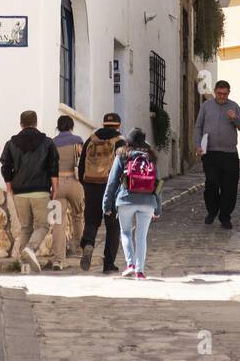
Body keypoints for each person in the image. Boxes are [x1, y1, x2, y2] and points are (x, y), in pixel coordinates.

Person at [0, 109, 59, 273]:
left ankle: (25, 266)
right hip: (40, 191)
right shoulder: (47, 142)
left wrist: (9, 185)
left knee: (26, 227)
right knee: (43, 225)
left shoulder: (11, 144)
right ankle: (31, 249)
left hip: (19, 192)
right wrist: (55, 188)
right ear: (36, 123)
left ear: (21, 124)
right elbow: (53, 167)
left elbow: (5, 167)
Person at [103, 127, 162, 279]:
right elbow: (158, 184)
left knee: (126, 232)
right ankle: (140, 271)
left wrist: (106, 204)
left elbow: (112, 182)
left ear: (128, 141)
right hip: (148, 201)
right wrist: (158, 207)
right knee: (141, 236)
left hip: (126, 199)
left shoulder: (122, 155)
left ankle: (130, 264)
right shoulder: (151, 157)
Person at [194, 80, 240, 229]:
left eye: (225, 94)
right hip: (210, 153)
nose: (222, 96)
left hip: (229, 154)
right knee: (211, 183)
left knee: (229, 187)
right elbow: (198, 126)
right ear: (215, 92)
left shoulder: (234, 106)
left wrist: (234, 118)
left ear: (229, 93)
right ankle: (212, 211)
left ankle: (225, 216)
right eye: (219, 93)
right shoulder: (206, 106)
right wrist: (198, 145)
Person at [77, 111, 126, 272]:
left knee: (91, 221)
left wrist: (86, 185)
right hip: (111, 188)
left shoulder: (91, 140)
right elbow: (124, 168)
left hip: (91, 185)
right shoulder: (120, 142)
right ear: (118, 126)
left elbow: (82, 166)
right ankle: (108, 264)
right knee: (113, 227)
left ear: (103, 124)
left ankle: (89, 244)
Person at [50, 114, 85, 270]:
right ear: (71, 127)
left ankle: (58, 259)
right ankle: (79, 250)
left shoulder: (51, 143)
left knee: (58, 221)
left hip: (57, 185)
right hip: (74, 182)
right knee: (79, 215)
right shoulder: (77, 141)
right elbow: (82, 163)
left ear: (58, 127)